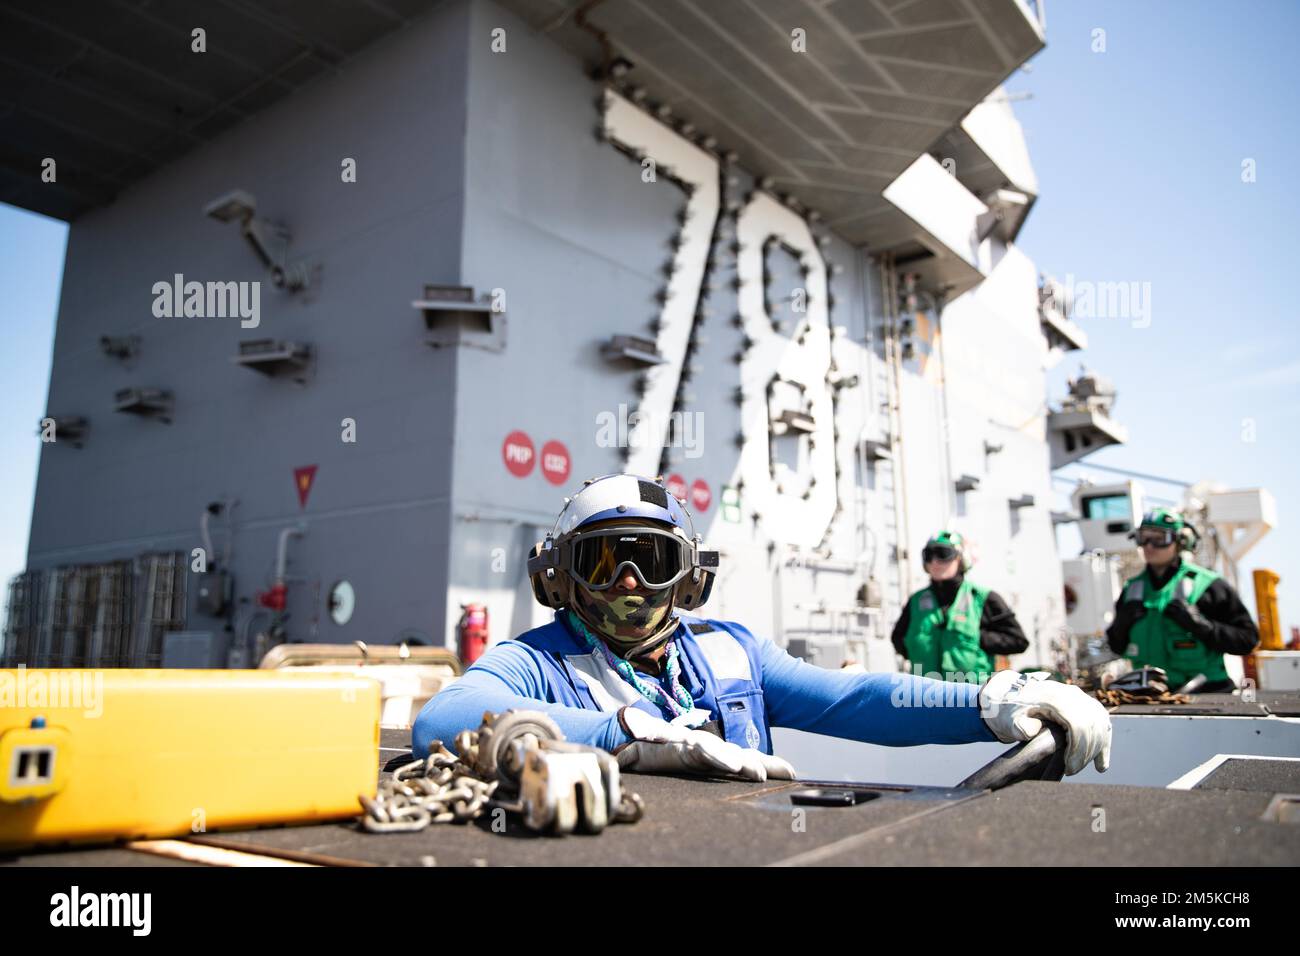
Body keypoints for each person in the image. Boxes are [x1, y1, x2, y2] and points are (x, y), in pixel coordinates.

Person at [413, 474, 1111, 781]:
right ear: (560, 577)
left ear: (687, 575)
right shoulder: (537, 662)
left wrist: (992, 704)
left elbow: (855, 697)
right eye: (603, 560)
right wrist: (625, 735)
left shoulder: (732, 651)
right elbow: (445, 717)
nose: (629, 582)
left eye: (649, 560)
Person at [1106, 508, 1258, 693]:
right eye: (1143, 538)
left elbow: (1248, 640)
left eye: (1159, 539)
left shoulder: (1208, 585)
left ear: (1180, 542)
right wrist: (1121, 625)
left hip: (1207, 693)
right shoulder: (1131, 590)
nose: (1149, 546)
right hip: (1150, 696)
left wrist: (1202, 626)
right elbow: (1116, 646)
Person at [890, 530, 1028, 684]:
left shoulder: (984, 599)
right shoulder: (916, 602)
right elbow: (897, 638)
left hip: (971, 697)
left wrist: (979, 639)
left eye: (943, 554)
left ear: (960, 558)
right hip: (924, 697)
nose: (935, 561)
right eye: (929, 555)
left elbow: (1018, 641)